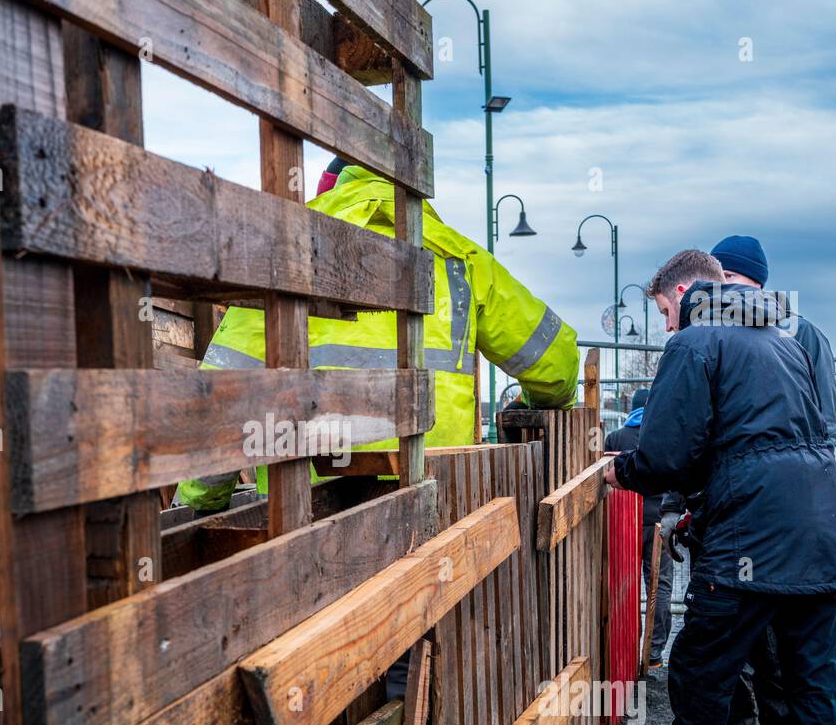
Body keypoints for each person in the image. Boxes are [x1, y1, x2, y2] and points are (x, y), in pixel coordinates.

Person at [602, 250, 836, 725]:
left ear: (687, 292)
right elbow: (769, 436)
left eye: (665, 310)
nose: (667, 326)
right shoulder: (783, 338)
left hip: (751, 534)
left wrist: (621, 469)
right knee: (813, 683)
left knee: (699, 667)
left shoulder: (697, 340)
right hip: (821, 529)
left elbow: (668, 453)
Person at [177, 158, 581, 513]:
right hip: (434, 509)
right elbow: (557, 364)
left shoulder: (281, 252)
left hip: (304, 525)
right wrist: (537, 403)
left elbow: (224, 394)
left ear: (330, 190)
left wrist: (202, 501)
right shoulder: (459, 259)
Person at [605, 387, 673, 668]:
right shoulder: (663, 437)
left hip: (626, 521)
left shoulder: (616, 437)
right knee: (660, 586)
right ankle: (654, 653)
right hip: (660, 522)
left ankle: (627, 649)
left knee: (625, 584)